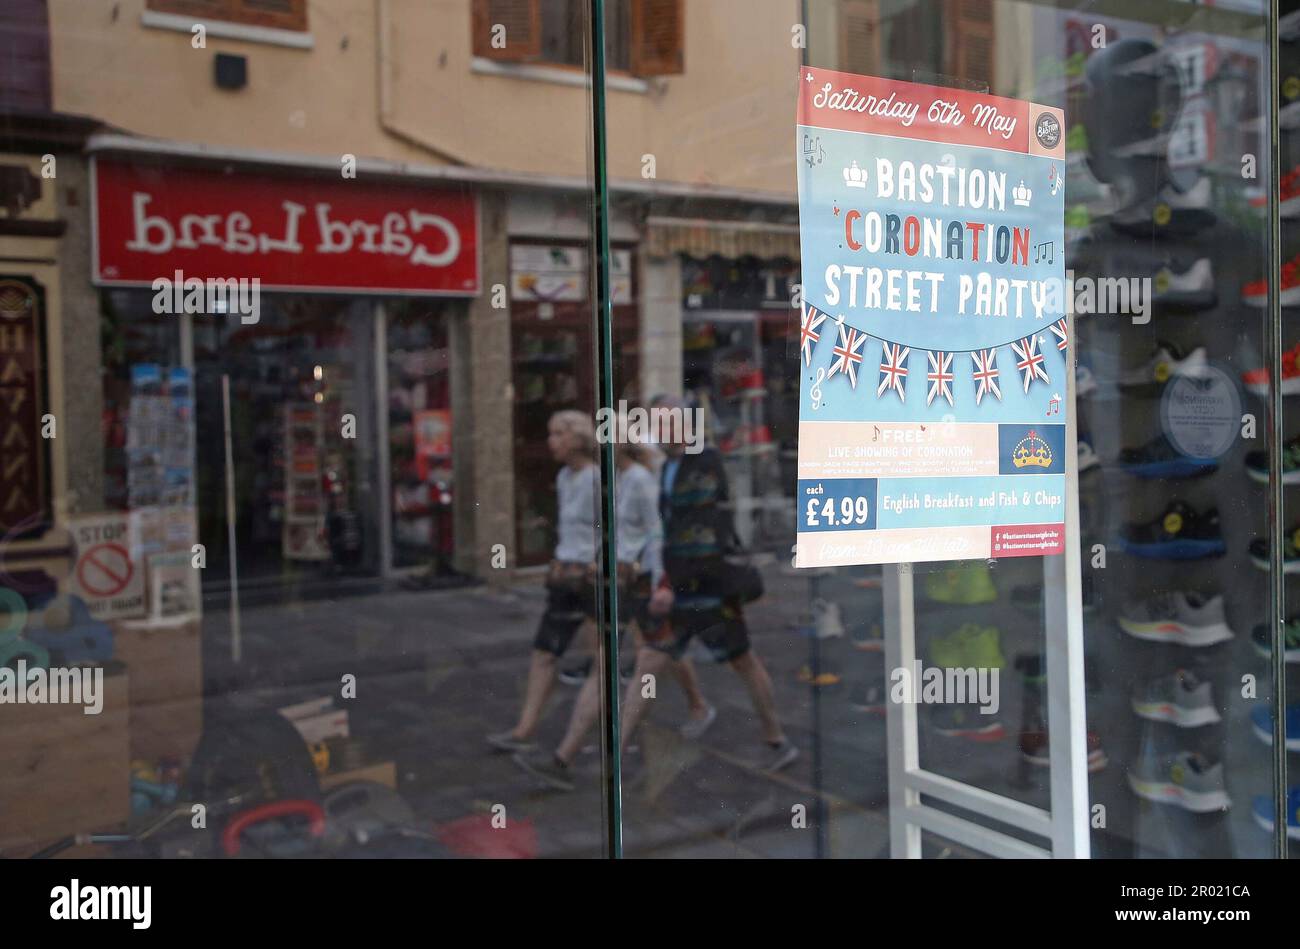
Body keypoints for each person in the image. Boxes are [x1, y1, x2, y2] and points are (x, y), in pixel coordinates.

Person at [511, 434, 716, 790]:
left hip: (647, 584)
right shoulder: (617, 480)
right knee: (628, 663)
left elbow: (656, 534)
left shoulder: (639, 480)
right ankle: (572, 757)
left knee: (647, 662)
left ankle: (588, 756)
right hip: (626, 584)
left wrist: (660, 585)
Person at [620, 394, 798, 773]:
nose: (662, 430)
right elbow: (667, 529)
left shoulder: (705, 462)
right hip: (682, 587)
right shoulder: (669, 466)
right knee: (650, 660)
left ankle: (775, 737)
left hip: (708, 588)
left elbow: (698, 531)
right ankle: (615, 750)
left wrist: (668, 586)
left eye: (669, 423)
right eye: (657, 424)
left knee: (742, 661)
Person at [486, 410, 599, 756]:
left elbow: (612, 527)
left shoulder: (598, 479)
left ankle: (600, 733)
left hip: (592, 578)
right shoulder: (565, 478)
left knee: (599, 660)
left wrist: (598, 563)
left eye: (558, 434)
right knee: (545, 651)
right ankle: (525, 729)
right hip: (564, 577)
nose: (551, 442)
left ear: (577, 438)